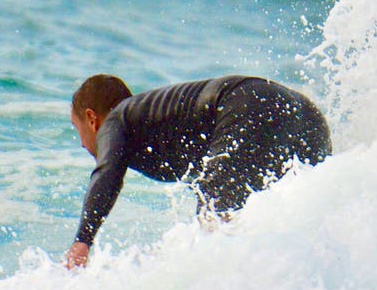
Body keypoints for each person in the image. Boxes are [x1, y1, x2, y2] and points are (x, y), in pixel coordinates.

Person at [64, 72, 331, 269]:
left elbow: (106, 175)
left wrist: (82, 241)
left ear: (92, 118)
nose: (81, 142)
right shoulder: (159, 122)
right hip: (305, 116)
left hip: (249, 103)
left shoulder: (116, 119)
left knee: (213, 223)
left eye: (78, 130)